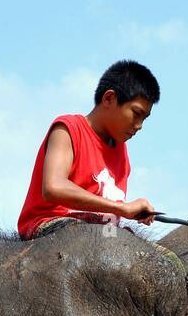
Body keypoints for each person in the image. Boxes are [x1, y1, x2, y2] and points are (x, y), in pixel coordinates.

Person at [17, 60, 159, 238]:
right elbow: (53, 187)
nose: (139, 126)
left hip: (102, 233)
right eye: (136, 113)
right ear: (109, 98)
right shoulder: (68, 128)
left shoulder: (122, 153)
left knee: (163, 256)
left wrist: (134, 213)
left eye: (144, 118)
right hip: (54, 224)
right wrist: (122, 208)